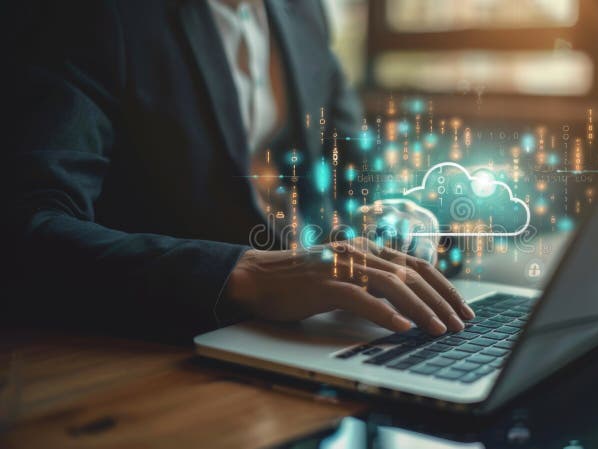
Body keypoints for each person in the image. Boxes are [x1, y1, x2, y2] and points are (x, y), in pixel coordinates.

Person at [3, 0, 473, 342]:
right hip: (162, 345)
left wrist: (402, 223)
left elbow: (356, 172)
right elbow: (28, 228)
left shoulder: (303, 12)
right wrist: (244, 274)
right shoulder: (96, 15)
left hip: (317, 331)